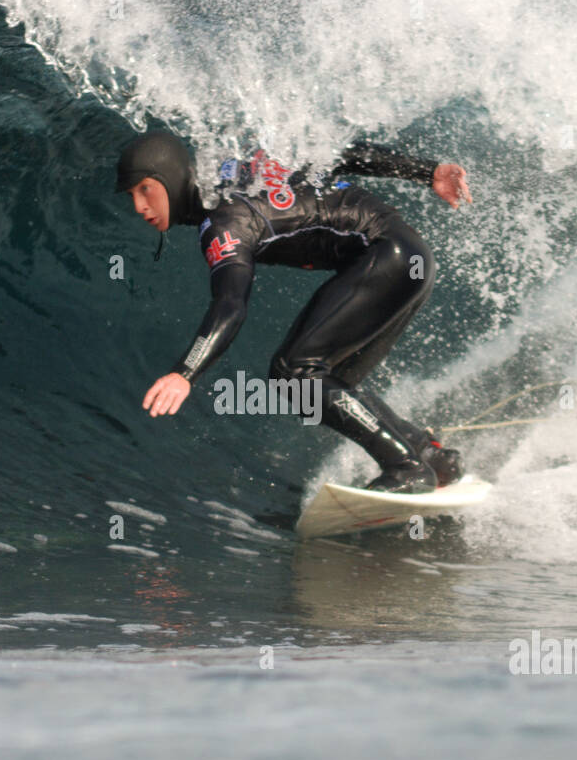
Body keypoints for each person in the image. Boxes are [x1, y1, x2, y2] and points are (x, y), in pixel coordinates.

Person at [116, 130, 472, 493]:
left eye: (145, 189)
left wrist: (184, 373)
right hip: (410, 258)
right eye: (131, 196)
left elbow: (231, 305)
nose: (138, 206)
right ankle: (427, 454)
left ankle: (407, 469)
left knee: (295, 372)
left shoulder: (223, 224)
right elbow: (341, 152)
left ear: (170, 177)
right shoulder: (243, 168)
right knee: (324, 385)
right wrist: (428, 173)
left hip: (385, 256)